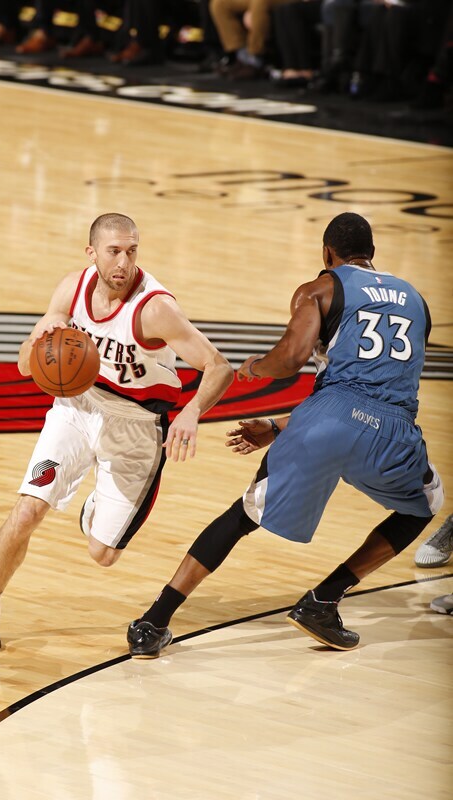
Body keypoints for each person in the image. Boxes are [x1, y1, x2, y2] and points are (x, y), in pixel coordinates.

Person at [127, 211, 444, 658]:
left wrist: (255, 367)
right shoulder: (416, 301)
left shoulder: (322, 287)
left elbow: (294, 361)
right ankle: (324, 599)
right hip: (391, 430)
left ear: (326, 253)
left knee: (243, 515)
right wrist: (277, 428)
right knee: (426, 503)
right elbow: (372, 393)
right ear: (372, 253)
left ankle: (152, 621)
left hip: (327, 422)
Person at [0, 213, 234, 652]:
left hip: (137, 426)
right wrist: (40, 344)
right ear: (92, 254)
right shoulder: (72, 288)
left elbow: (218, 366)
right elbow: (21, 365)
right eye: (114, 251)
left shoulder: (155, 309)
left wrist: (192, 412)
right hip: (76, 407)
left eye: (132, 251)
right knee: (28, 510)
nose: (124, 262)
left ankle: (95, 507)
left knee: (103, 554)